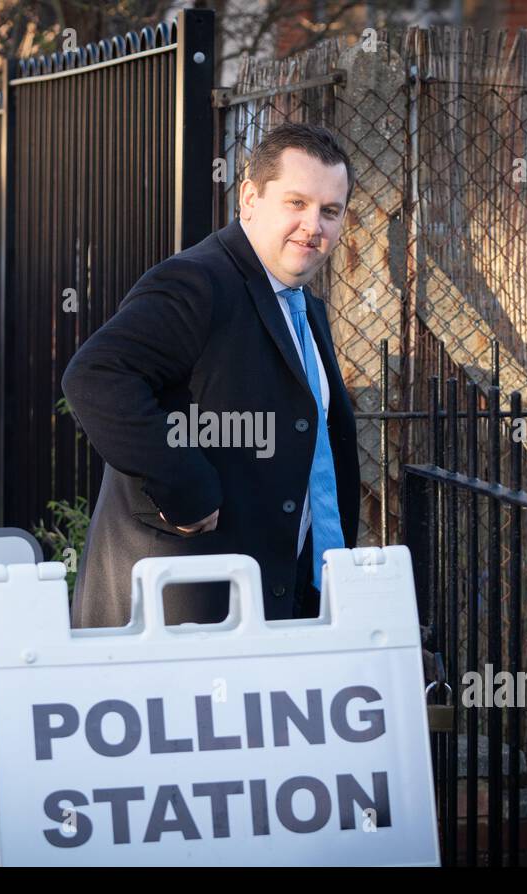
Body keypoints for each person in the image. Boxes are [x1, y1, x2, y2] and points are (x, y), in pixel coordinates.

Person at [60, 122, 360, 628]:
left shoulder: (303, 306)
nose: (314, 226)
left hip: (273, 604)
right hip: (179, 611)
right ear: (249, 197)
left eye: (330, 211)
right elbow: (96, 376)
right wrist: (186, 488)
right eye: (296, 203)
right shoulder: (198, 280)